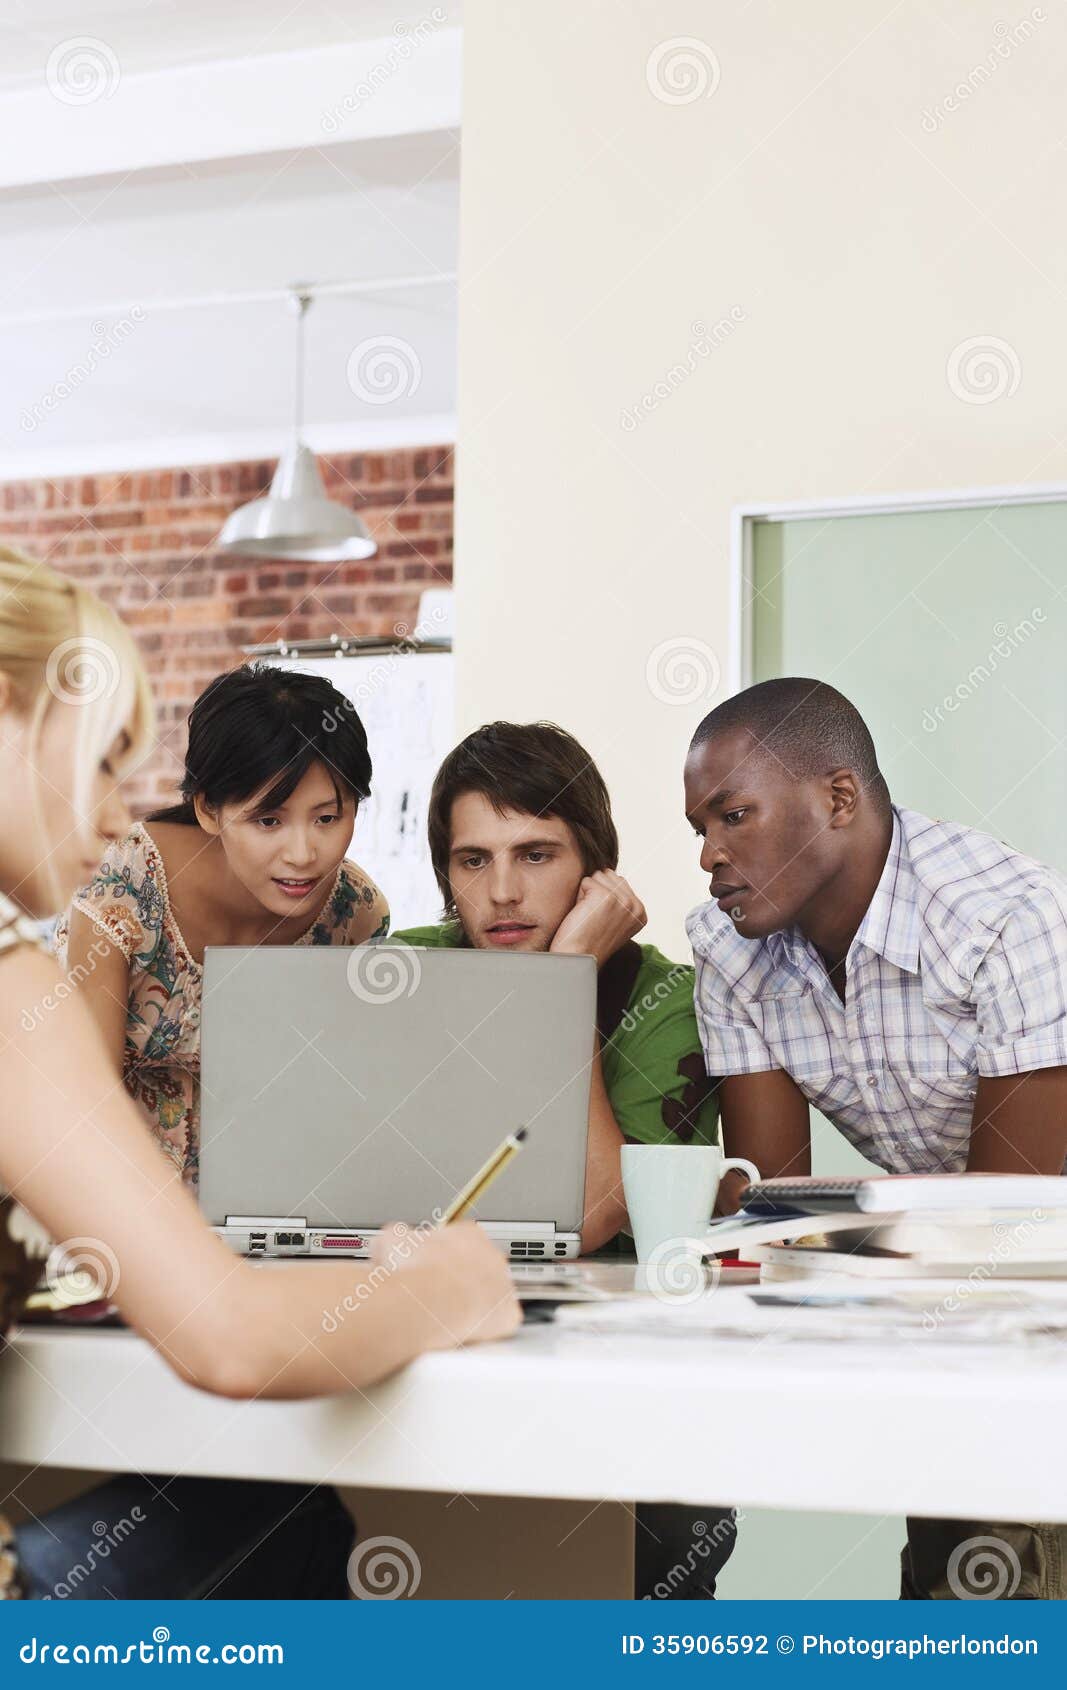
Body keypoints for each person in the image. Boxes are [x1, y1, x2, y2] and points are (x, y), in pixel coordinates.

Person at [0, 545, 520, 1600]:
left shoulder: (353, 911)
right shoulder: (27, 981)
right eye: (102, 759)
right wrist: (456, 1280)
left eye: (329, 815)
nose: (115, 811)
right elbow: (234, 1341)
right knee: (282, 1520)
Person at [684, 675, 1067, 1600]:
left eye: (732, 816)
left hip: (1035, 1290)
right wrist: (804, 1228)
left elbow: (1013, 1220)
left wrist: (835, 1225)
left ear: (838, 798)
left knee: (1020, 1591)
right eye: (699, 827)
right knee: (952, 1589)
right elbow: (767, 1216)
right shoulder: (731, 949)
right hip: (943, 1314)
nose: (709, 856)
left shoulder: (1004, 921)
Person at [391, 720, 732, 1600]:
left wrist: (565, 978)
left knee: (670, 1535)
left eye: (535, 853)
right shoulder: (399, 976)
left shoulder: (661, 1000)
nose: (502, 891)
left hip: (612, 1373)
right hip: (441, 1358)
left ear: (595, 869)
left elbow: (587, 1217)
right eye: (472, 861)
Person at [55, 664, 389, 1186]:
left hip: (273, 1203)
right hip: (110, 1201)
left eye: (327, 818)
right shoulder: (124, 883)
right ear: (209, 809)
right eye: (268, 820)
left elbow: (342, 1101)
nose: (303, 855)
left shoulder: (353, 914)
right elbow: (85, 1105)